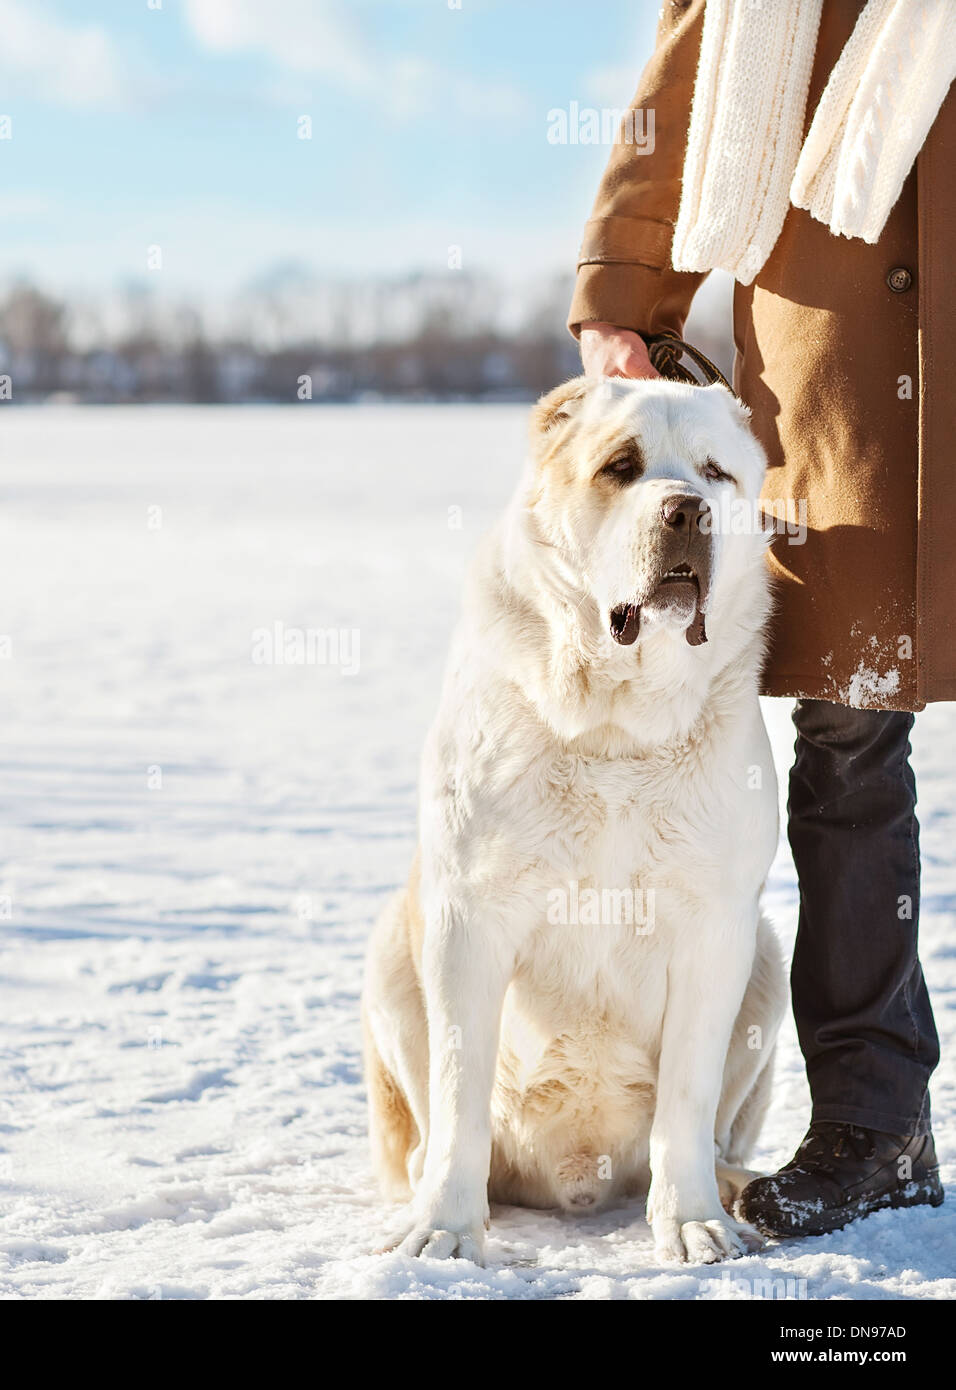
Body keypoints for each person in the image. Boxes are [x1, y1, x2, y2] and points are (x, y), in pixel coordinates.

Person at [570, 0, 953, 1237]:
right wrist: (624, 298)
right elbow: (678, 101)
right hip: (836, 385)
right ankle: (874, 1120)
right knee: (848, 743)